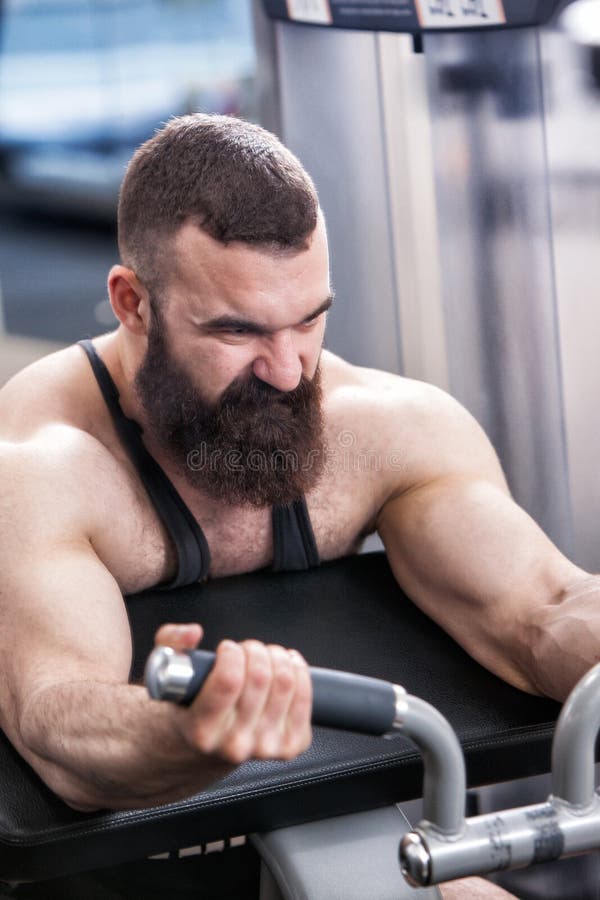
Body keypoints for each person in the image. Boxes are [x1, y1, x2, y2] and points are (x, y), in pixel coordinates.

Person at [0, 114, 594, 898]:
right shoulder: (40, 467)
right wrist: (186, 733)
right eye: (238, 330)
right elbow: (60, 727)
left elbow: (542, 612)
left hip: (365, 856)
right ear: (133, 302)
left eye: (310, 318)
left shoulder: (389, 428)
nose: (287, 371)